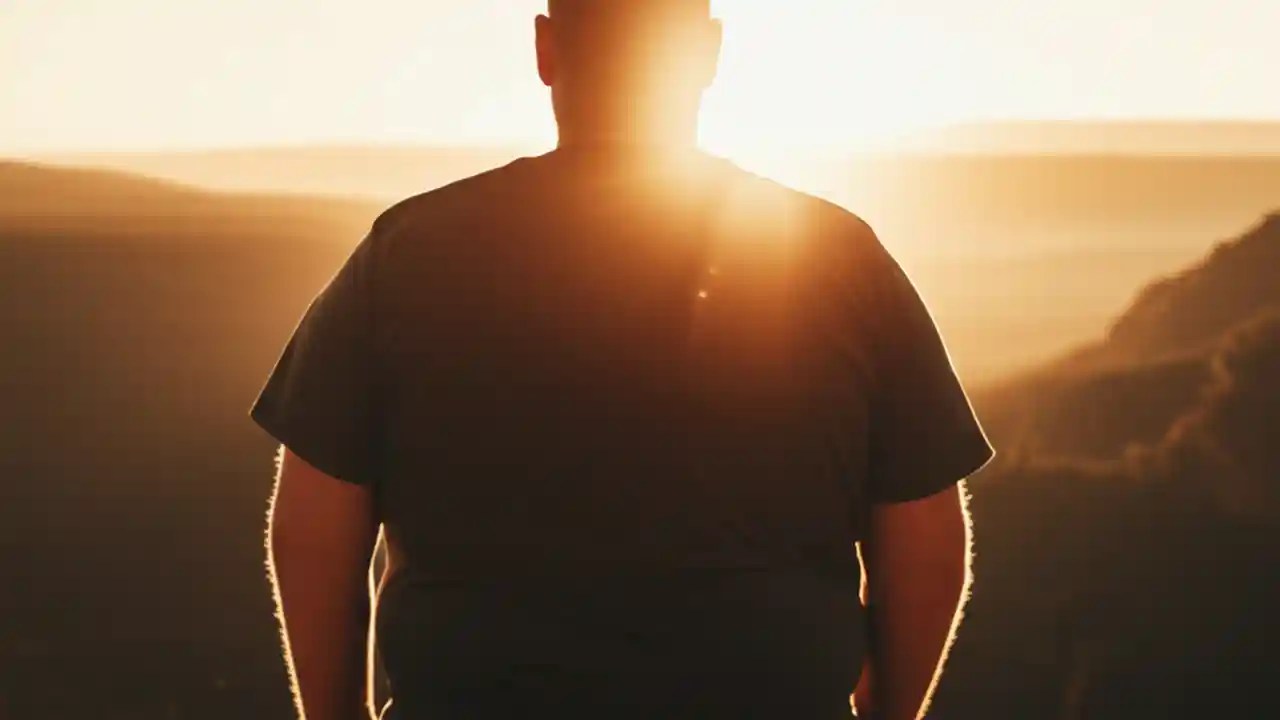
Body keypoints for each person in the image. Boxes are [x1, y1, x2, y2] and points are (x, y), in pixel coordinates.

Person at [250, 1, 994, 718]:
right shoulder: (837, 258)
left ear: (545, 50)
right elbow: (925, 532)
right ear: (708, 52)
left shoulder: (406, 253)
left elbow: (315, 522)